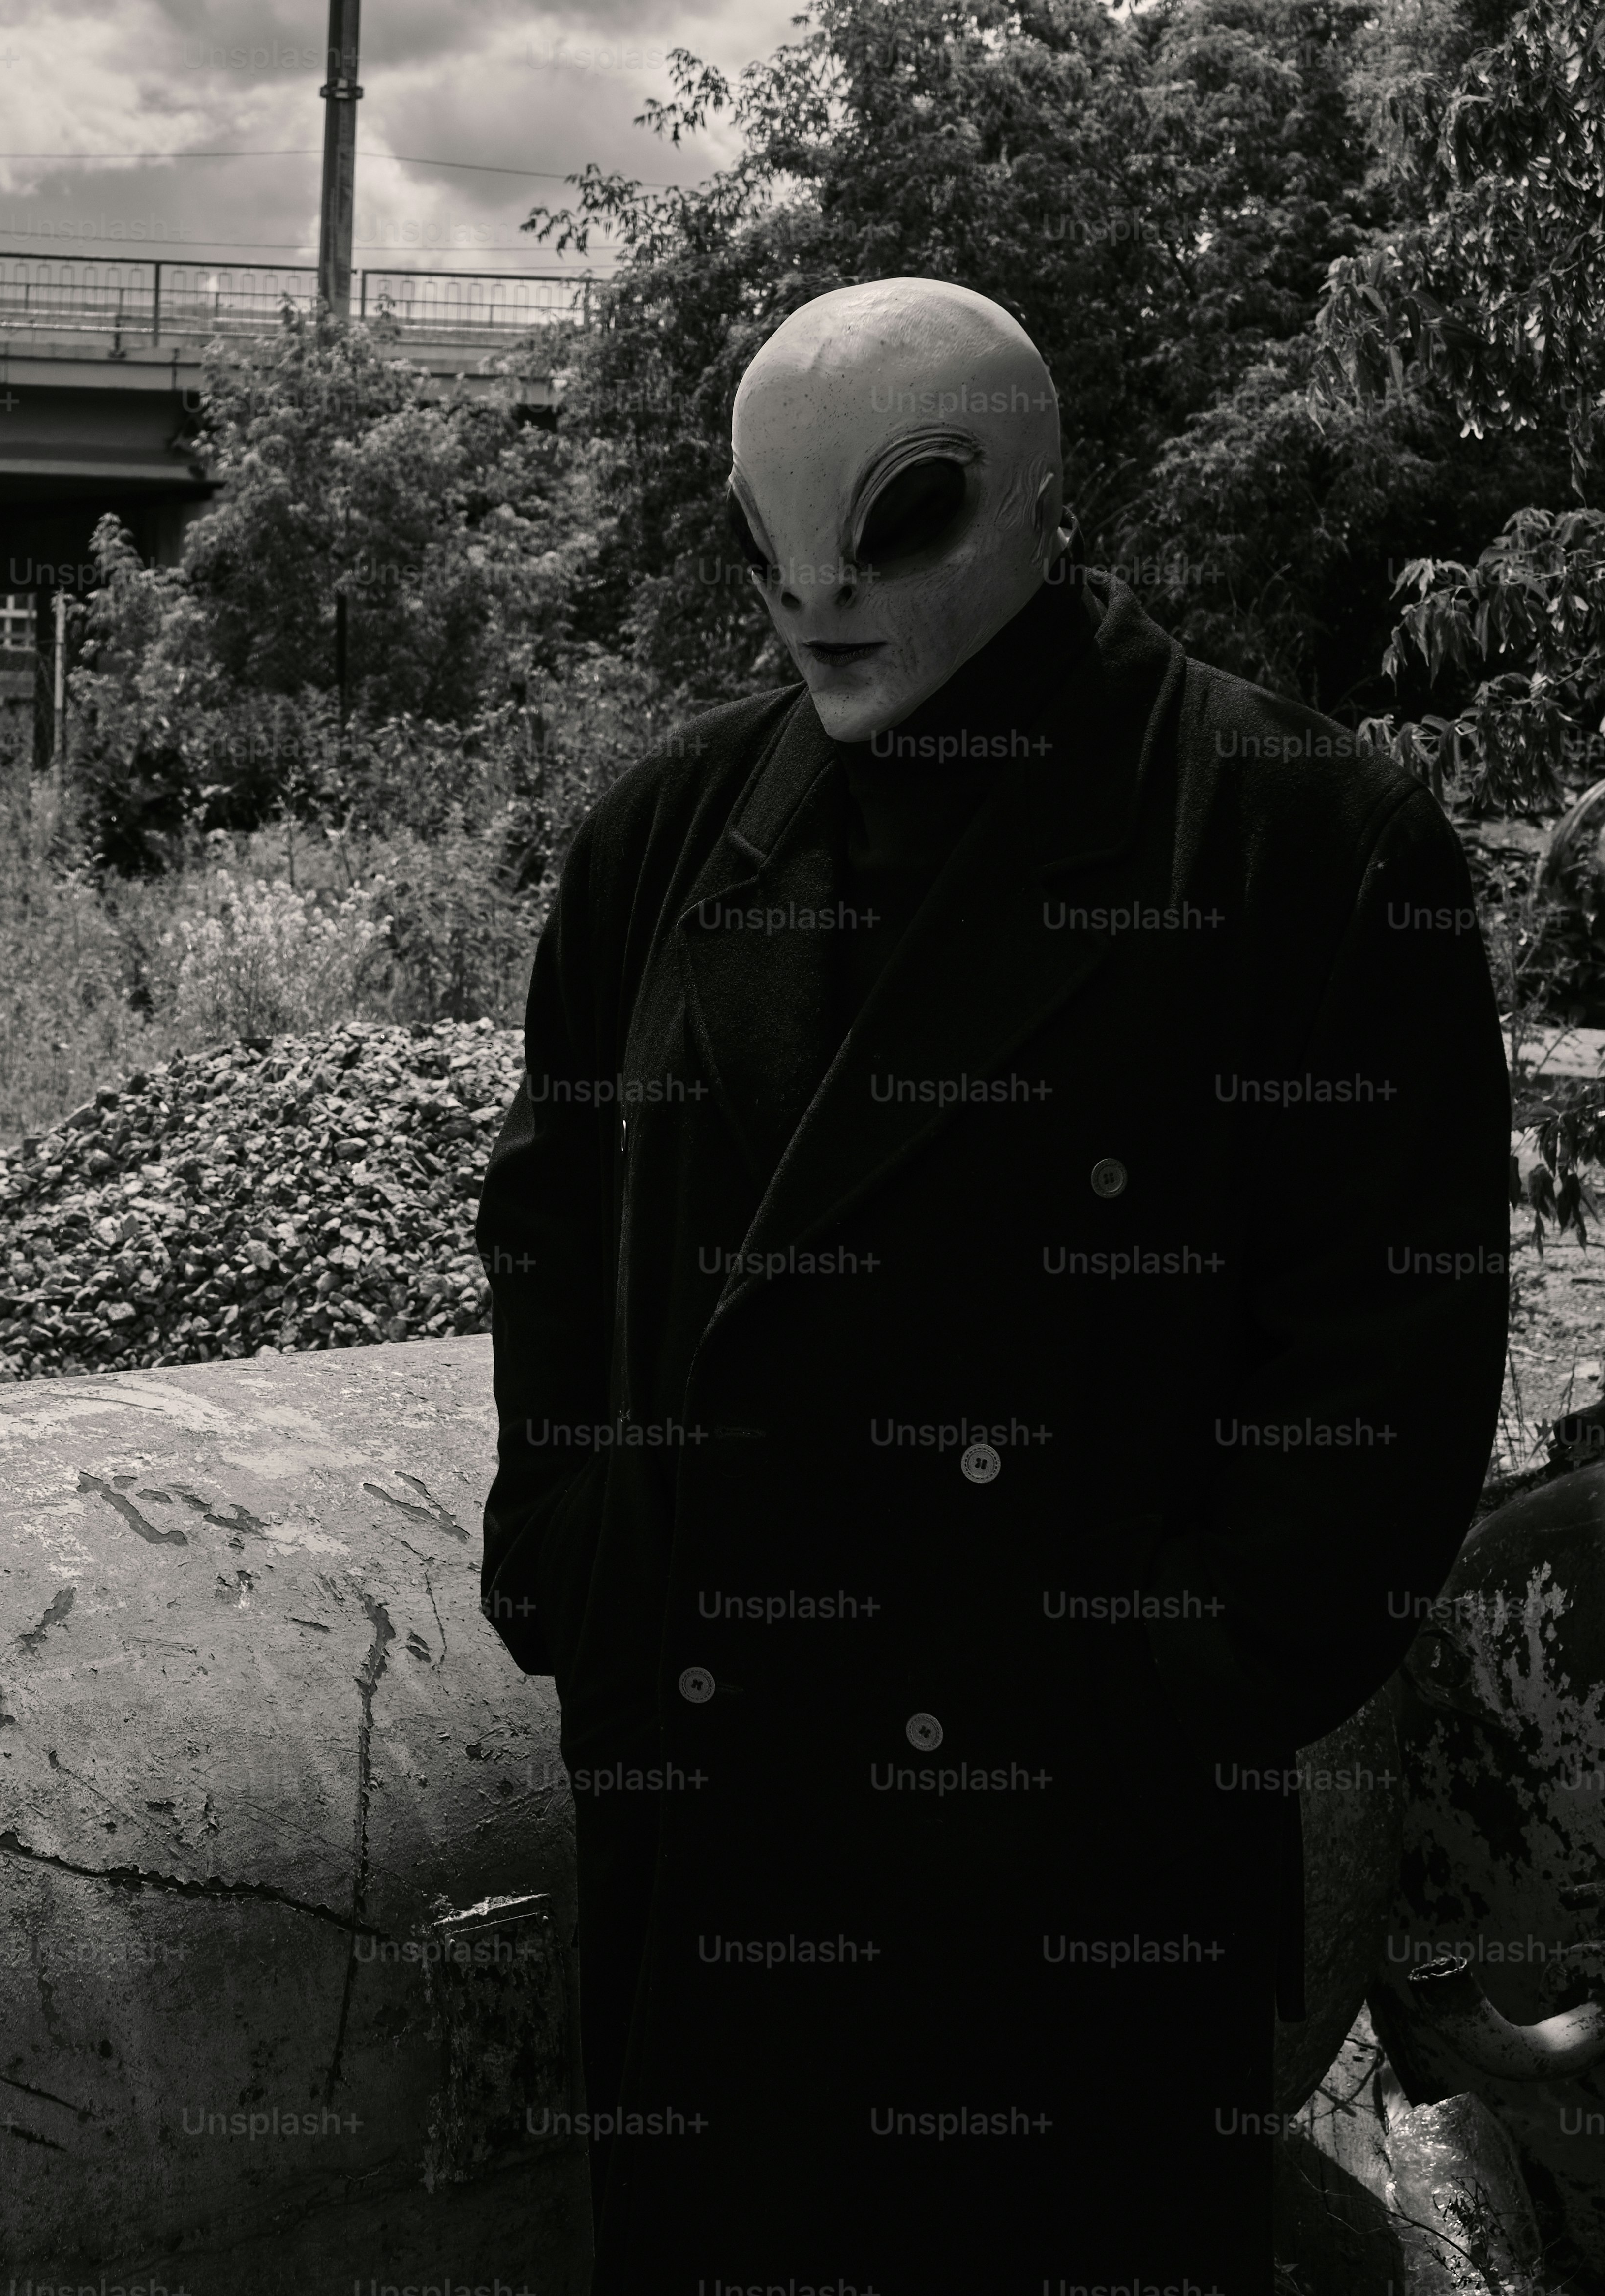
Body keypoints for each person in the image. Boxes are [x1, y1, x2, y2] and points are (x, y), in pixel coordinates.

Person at [475, 278, 1512, 2289]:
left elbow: (1386, 1354)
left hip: (1066, 1884)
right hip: (715, 1847)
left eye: (896, 523)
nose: (818, 598)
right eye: (762, 542)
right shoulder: (664, 837)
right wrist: (579, 1559)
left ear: (1049, 498)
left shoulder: (1291, 838)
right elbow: (549, 1226)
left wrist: (1160, 1690)